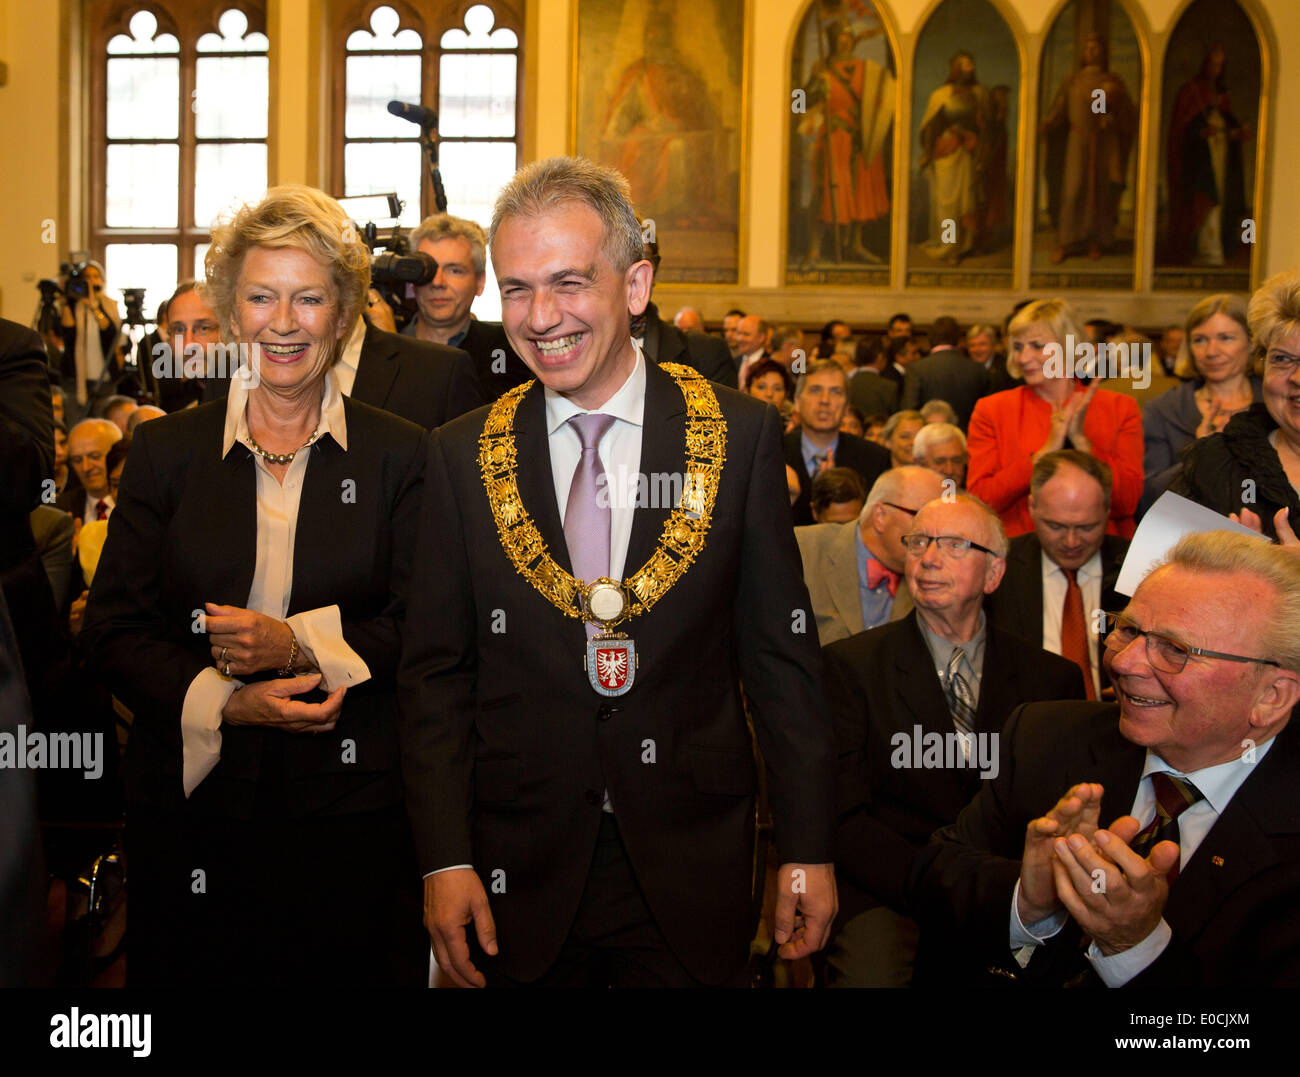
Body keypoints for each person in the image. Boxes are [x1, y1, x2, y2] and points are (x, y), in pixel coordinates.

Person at [397, 156, 837, 988]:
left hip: (689, 861)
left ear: (635, 286)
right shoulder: (459, 454)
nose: (541, 317)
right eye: (518, 288)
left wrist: (807, 849)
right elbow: (435, 680)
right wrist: (442, 861)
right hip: (512, 871)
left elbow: (783, 665)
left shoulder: (738, 439)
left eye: (569, 282)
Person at [80, 184, 429, 987]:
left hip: (355, 815)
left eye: (308, 298)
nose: (283, 321)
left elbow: (425, 625)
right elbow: (112, 631)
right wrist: (226, 699)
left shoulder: (400, 455)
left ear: (343, 317)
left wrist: (300, 642)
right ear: (233, 312)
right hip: (194, 811)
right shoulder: (166, 453)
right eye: (261, 297)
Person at [908, 530, 1300, 986]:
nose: (1125, 662)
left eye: (1175, 649)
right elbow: (932, 875)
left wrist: (1134, 946)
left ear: (1272, 696)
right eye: (1129, 630)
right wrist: (1029, 899)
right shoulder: (1046, 736)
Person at [823, 494, 1083, 986]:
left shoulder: (1052, 680)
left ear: (994, 575)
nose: (929, 557)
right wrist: (940, 884)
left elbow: (1054, 814)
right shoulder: (851, 666)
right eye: (918, 541)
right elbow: (842, 814)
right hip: (890, 887)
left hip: (1009, 890)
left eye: (953, 545)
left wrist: (1002, 893)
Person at [967, 298, 1143, 538]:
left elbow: (1128, 502)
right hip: (1020, 553)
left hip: (1106, 554)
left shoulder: (1120, 407)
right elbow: (981, 500)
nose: (1023, 357)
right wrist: (1042, 455)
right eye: (1018, 347)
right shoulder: (992, 410)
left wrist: (1082, 443)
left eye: (1037, 346)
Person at [987, 450, 1128, 700]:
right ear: (1032, 507)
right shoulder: (998, 569)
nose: (1071, 541)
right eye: (1055, 526)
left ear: (1107, 511)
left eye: (1087, 527)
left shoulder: (1135, 569)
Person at [1173, 272, 1300, 539]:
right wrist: (1235, 569)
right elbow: (1154, 570)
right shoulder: (1217, 461)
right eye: (1283, 359)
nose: (1297, 377)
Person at [796, 466, 943, 646]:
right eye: (921, 516)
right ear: (880, 516)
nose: (936, 533)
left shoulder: (936, 576)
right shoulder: (802, 548)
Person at [1141, 294, 1260, 514]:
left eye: (1225, 338)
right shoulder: (1164, 409)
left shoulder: (1278, 403)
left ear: (1252, 342)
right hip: (1189, 536)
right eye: (1200, 340)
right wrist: (1197, 455)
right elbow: (1147, 500)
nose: (1211, 352)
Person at [404, 212, 531, 400]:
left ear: (480, 282)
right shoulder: (386, 341)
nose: (438, 282)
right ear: (412, 282)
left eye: (454, 270)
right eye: (428, 271)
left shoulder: (508, 349)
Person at [800, 20, 892, 265]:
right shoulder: (823, 71)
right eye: (841, 35)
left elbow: (879, 102)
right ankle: (815, 250)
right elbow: (798, 104)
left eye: (849, 35)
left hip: (861, 138)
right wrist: (810, 80)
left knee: (859, 192)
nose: (846, 40)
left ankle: (855, 244)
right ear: (832, 40)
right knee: (825, 193)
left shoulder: (867, 69)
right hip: (834, 138)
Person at [1039, 33, 1137, 264]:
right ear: (1082, 53)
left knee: (1097, 192)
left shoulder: (1107, 82)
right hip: (1076, 142)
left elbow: (1101, 112)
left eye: (1096, 48)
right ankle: (1066, 242)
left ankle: (1095, 241)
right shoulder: (1072, 82)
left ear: (1102, 53)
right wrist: (1046, 124)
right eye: (1088, 48)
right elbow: (1059, 112)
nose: (1092, 51)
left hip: (1100, 143)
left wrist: (1107, 117)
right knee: (1073, 190)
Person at [1166, 45, 1251, 268]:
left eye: (1220, 65)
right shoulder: (1191, 91)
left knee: (1221, 202)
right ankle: (1203, 250)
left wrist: (1236, 133)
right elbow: (1182, 131)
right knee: (1206, 201)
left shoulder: (1222, 95)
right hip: (1201, 162)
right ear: (1206, 65)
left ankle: (1218, 249)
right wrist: (1200, 133)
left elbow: (1226, 127)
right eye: (1213, 64)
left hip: (1220, 156)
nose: (1216, 69)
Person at [784, 360, 891, 526]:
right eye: (815, 390)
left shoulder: (875, 459)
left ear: (847, 405)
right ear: (797, 401)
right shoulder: (774, 451)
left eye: (835, 392)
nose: (825, 400)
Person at [917, 51, 990, 264]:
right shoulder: (941, 95)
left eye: (971, 65)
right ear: (956, 68)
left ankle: (964, 245)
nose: (970, 68)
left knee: (966, 203)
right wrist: (929, 151)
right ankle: (949, 245)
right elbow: (931, 127)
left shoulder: (979, 94)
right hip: (946, 152)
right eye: (966, 64)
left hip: (968, 152)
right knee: (948, 204)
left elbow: (985, 127)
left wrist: (978, 147)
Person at [635, 235, 736, 388]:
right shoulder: (586, 349)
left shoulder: (705, 355)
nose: (633, 271)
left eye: (642, 259)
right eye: (620, 256)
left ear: (653, 272)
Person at [901, 317, 987, 428]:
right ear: (959, 340)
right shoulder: (977, 369)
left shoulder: (917, 369)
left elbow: (909, 410)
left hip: (930, 436)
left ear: (930, 338)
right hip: (967, 436)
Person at [57, 418, 121, 523]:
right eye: (77, 460)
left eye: (94, 456)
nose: (86, 467)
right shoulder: (60, 510)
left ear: (116, 456)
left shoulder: (140, 506)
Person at [912, 422, 967, 489]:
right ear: (919, 464)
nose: (949, 471)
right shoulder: (902, 498)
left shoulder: (973, 498)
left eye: (956, 461)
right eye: (940, 462)